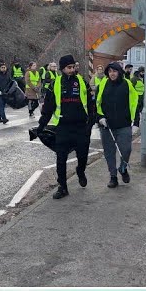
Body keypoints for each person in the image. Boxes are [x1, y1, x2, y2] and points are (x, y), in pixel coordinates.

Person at [38, 54, 95, 199]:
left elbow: (90, 103)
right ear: (63, 68)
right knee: (61, 159)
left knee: (82, 157)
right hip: (62, 128)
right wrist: (41, 125)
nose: (72, 70)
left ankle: (80, 171)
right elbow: (48, 107)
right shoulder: (55, 84)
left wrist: (91, 123)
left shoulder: (82, 82)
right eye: (69, 67)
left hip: (81, 127)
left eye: (73, 67)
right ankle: (62, 186)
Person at [95, 62, 141, 188]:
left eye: (114, 71)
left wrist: (136, 122)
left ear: (119, 72)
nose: (112, 73)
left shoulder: (127, 84)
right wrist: (99, 118)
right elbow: (96, 103)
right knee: (109, 152)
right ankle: (113, 176)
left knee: (126, 150)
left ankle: (123, 168)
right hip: (107, 126)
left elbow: (135, 103)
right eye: (109, 71)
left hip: (124, 124)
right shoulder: (102, 84)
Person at [0, 60, 15, 124]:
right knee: (1, 106)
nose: (3, 69)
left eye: (4, 67)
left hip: (5, 93)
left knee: (3, 106)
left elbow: (10, 82)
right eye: (2, 67)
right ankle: (4, 118)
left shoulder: (7, 75)